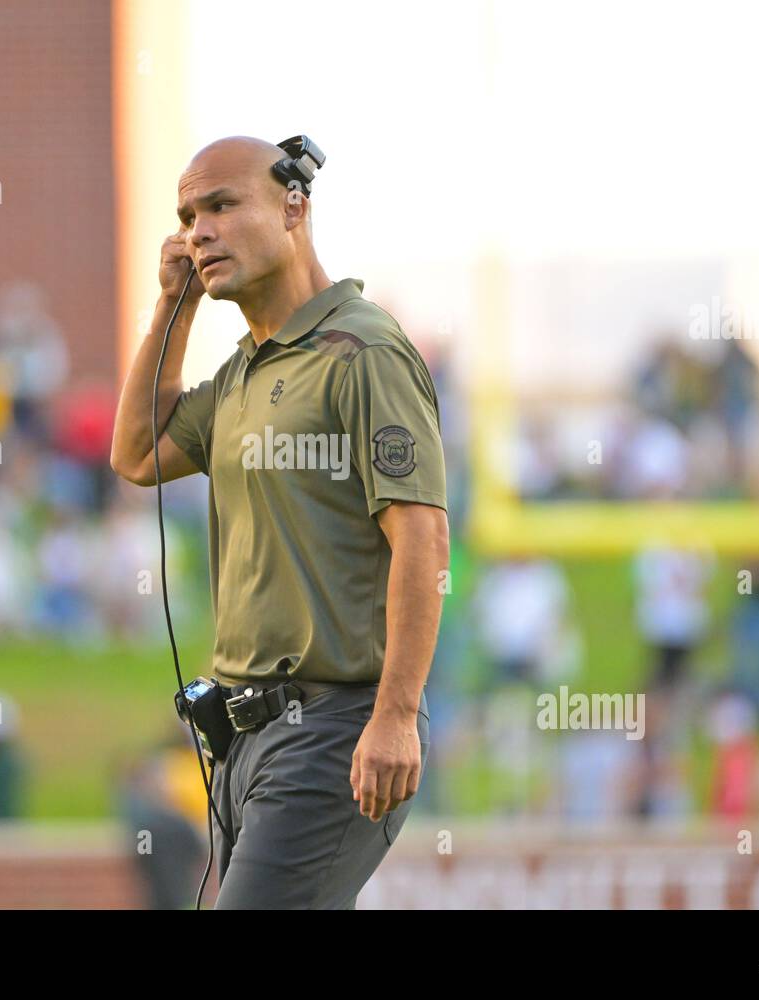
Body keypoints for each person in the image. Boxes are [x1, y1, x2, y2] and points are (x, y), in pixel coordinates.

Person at [110, 136, 448, 909]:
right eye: (189, 215)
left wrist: (396, 715)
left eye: (223, 206)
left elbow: (424, 541)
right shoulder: (243, 369)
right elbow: (135, 454)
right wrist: (173, 303)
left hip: (334, 728)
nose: (199, 230)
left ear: (294, 206)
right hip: (242, 739)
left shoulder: (363, 350)